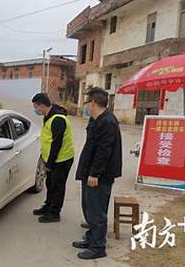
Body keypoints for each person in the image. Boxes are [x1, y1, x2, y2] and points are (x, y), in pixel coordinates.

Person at [72, 87, 122, 260]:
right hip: (91, 172)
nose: (86, 106)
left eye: (87, 102)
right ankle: (91, 238)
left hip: (99, 175)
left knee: (96, 210)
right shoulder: (97, 120)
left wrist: (95, 174)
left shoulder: (107, 122)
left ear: (92, 103)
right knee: (89, 206)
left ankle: (98, 247)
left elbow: (104, 151)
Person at [31, 93, 75, 223]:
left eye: (36, 107)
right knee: (50, 184)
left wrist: (49, 163)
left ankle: (55, 213)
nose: (35, 110)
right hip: (52, 158)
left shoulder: (58, 119)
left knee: (57, 186)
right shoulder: (48, 116)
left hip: (61, 159)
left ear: (42, 105)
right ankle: (48, 206)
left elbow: (57, 143)